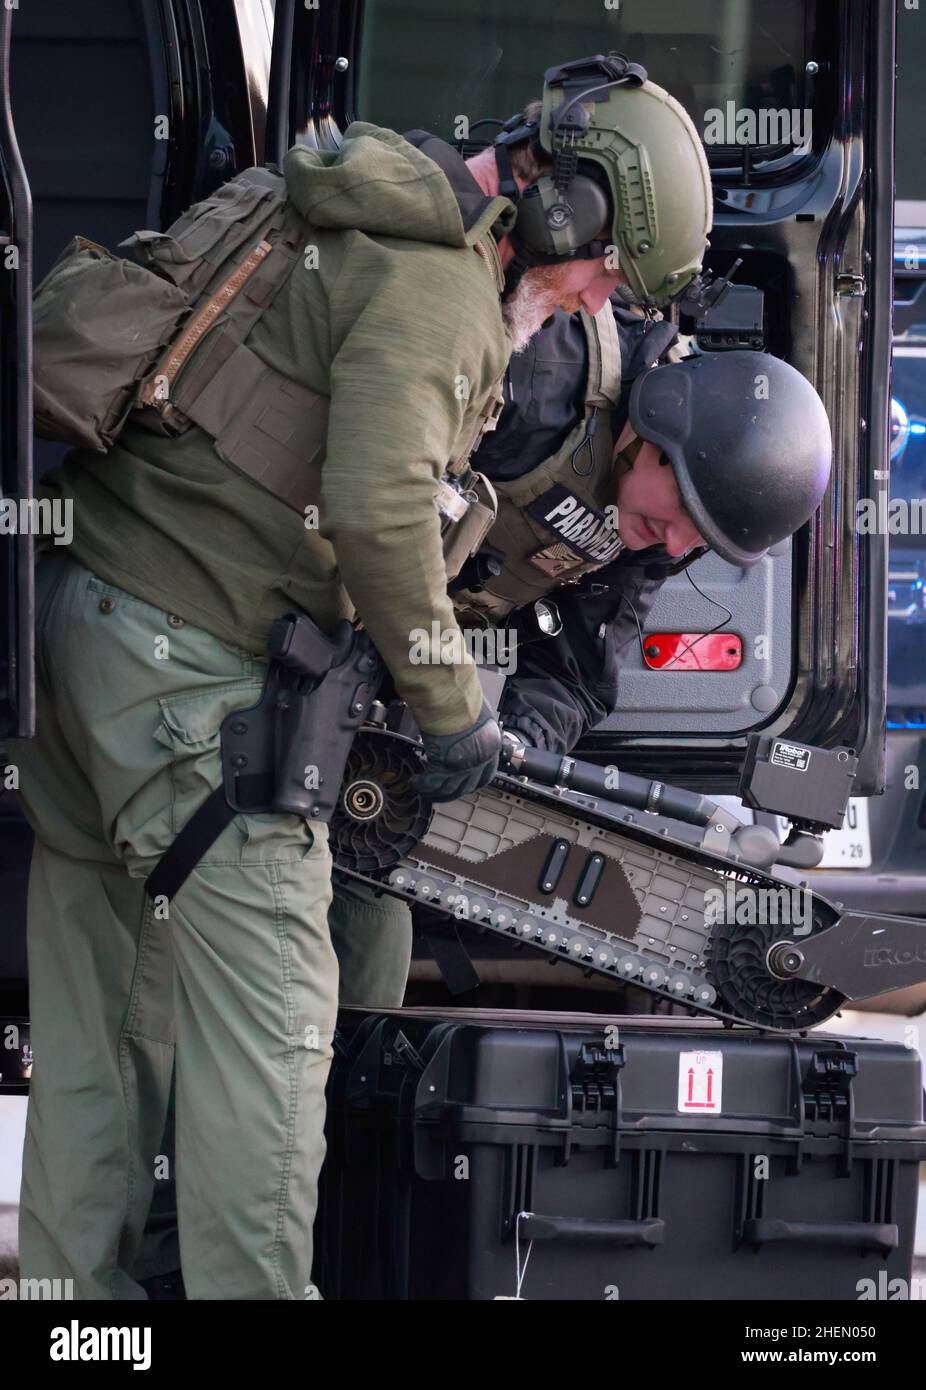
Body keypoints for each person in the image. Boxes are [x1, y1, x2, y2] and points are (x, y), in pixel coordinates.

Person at [11, 54, 714, 1298]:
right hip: (197, 683)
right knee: (275, 1058)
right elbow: (384, 517)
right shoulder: (438, 286)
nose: (595, 298)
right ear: (573, 206)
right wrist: (453, 711)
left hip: (83, 634)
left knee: (101, 1042)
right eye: (605, 268)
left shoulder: (349, 191)